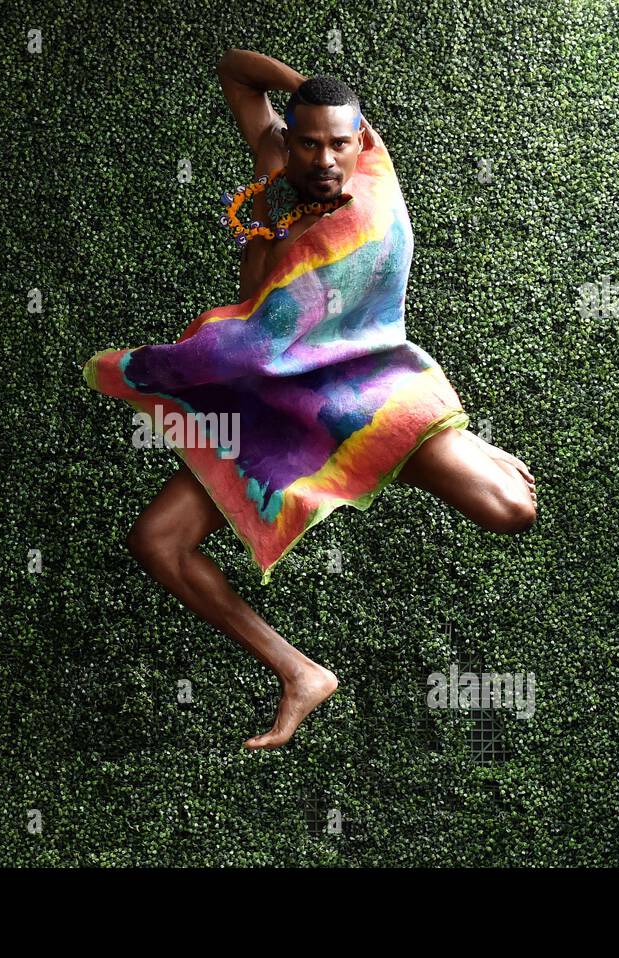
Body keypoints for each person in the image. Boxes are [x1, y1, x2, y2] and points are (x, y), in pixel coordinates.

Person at [124, 49, 537, 750]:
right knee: (158, 543)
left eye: (339, 142)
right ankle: (299, 672)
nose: (324, 157)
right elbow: (231, 68)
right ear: (293, 138)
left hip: (369, 393)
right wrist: (292, 124)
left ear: (361, 141)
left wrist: (446, 433)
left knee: (512, 510)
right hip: (277, 405)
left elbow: (380, 329)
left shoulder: (374, 183)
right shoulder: (275, 185)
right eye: (309, 141)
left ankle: (394, 451)